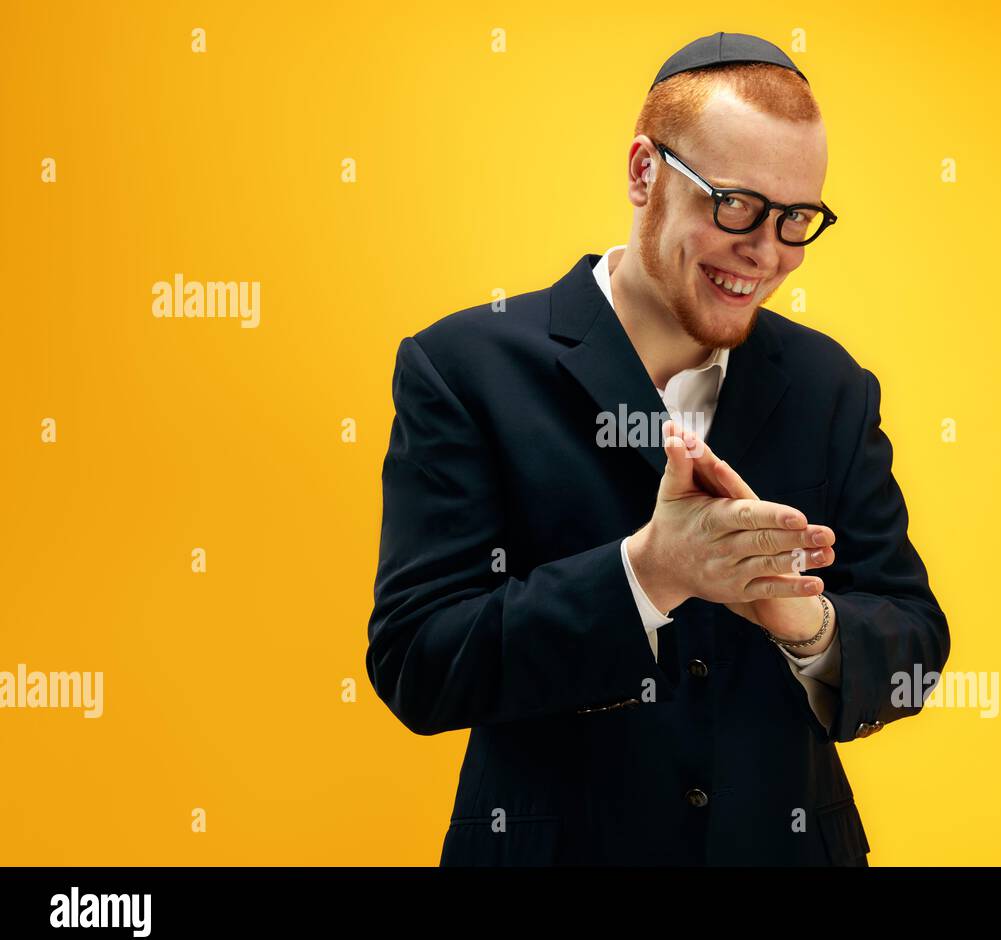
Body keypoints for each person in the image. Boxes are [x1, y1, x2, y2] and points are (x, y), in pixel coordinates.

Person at [366, 32, 950, 866]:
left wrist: (809, 626)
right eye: (738, 204)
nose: (769, 251)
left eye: (797, 219)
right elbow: (420, 661)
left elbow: (914, 640)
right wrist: (647, 574)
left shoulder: (832, 385)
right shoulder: (464, 366)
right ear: (645, 172)